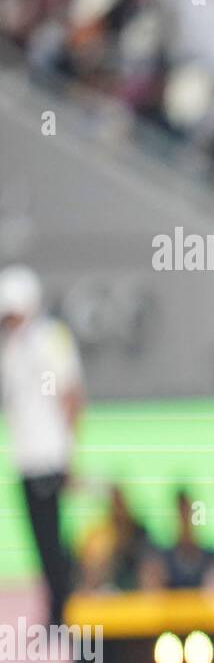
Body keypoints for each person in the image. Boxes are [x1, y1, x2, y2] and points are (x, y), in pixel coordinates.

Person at [0, 264, 83, 624]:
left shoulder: (51, 337)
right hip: (26, 458)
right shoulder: (10, 348)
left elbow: (70, 395)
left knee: (54, 540)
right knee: (41, 540)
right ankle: (56, 608)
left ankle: (65, 611)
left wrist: (68, 453)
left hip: (50, 456)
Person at [75, 484, 164, 593]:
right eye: (114, 505)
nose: (118, 511)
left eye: (120, 504)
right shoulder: (104, 536)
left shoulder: (140, 534)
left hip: (138, 591)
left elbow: (151, 566)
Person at [159, 488, 214, 589]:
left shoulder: (211, 557)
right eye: (182, 513)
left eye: (189, 513)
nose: (186, 519)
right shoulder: (164, 560)